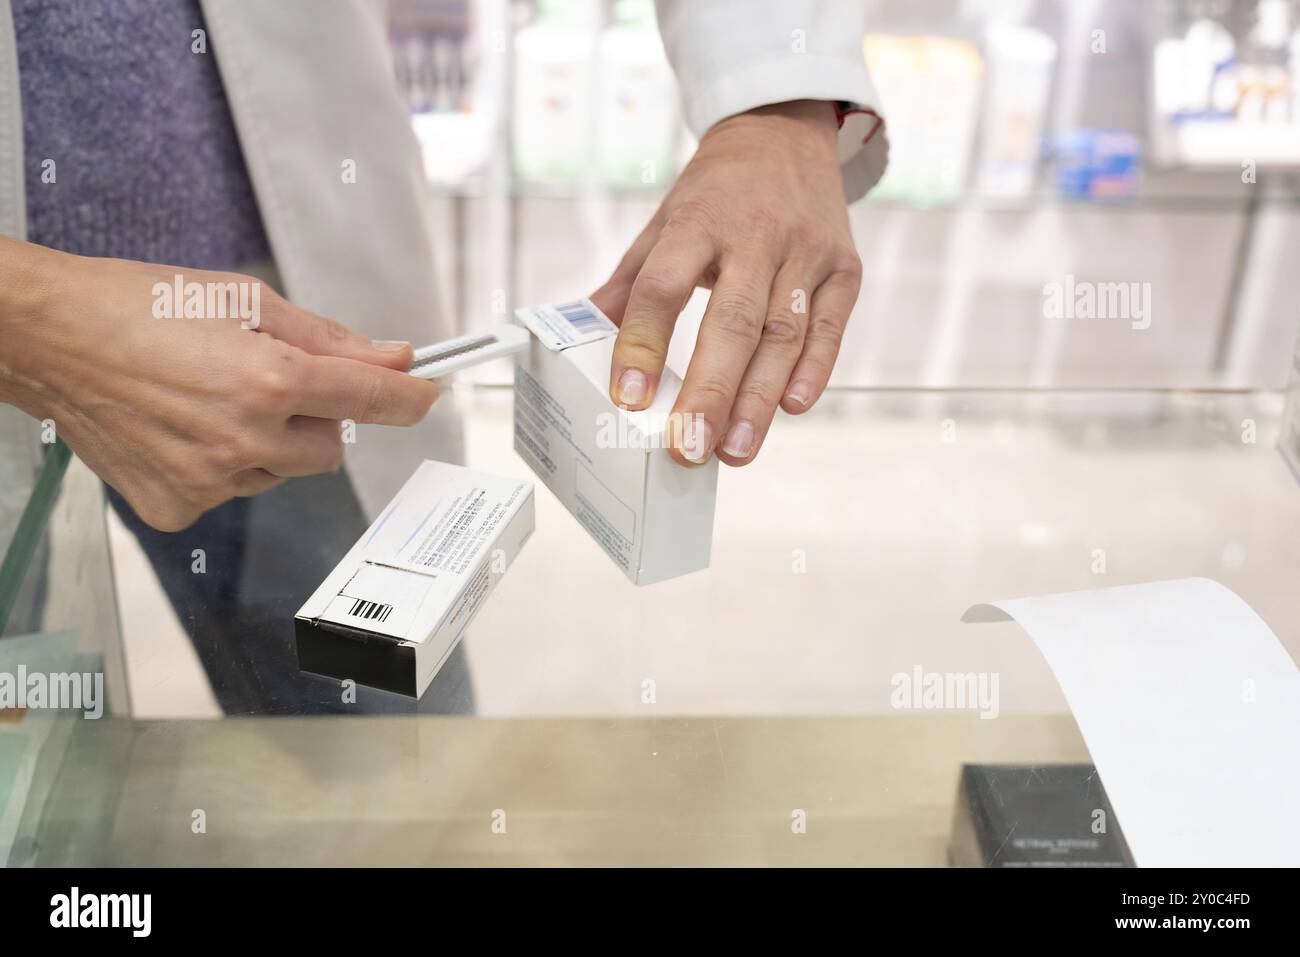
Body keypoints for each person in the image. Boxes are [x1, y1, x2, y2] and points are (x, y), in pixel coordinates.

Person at [0, 0, 887, 714]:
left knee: (383, 737)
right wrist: (28, 320)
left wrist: (777, 100)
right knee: (33, 751)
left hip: (278, 317)